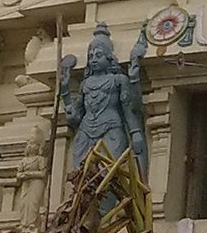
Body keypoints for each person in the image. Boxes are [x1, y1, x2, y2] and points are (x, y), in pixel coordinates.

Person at [59, 23, 148, 175]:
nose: (94, 59)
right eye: (91, 56)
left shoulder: (118, 80)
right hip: (85, 133)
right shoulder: (85, 84)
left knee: (108, 175)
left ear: (109, 57)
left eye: (98, 55)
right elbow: (75, 117)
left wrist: (135, 132)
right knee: (83, 175)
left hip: (111, 131)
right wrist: (65, 91)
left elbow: (129, 109)